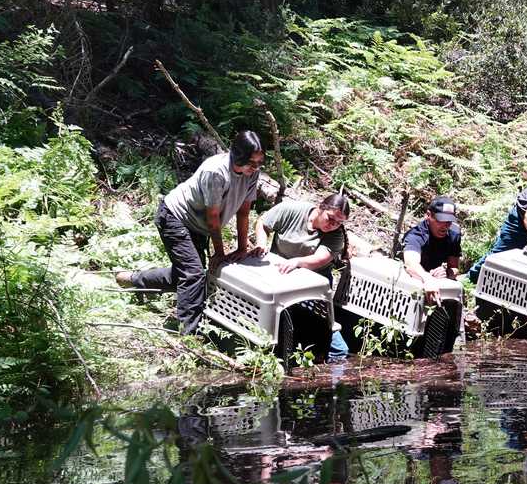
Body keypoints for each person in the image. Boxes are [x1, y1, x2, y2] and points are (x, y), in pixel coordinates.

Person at [116, 131, 263, 334]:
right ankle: (188, 335)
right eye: (251, 163)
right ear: (238, 156)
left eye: (259, 163)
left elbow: (244, 212)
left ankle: (133, 280)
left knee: (187, 274)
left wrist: (242, 248)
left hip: (198, 224)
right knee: (193, 274)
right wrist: (219, 253)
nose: (255, 168)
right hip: (175, 217)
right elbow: (213, 219)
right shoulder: (216, 172)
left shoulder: (252, 174)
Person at [250, 192, 352, 361]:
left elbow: (320, 259)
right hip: (279, 277)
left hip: (313, 287)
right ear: (320, 208)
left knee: (337, 348)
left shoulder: (337, 234)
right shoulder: (293, 210)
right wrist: (261, 243)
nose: (333, 225)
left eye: (339, 222)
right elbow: (263, 223)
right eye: (330, 218)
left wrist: (297, 262)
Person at [401, 195, 462, 301]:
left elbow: (455, 267)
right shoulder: (415, 236)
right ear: (428, 215)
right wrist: (428, 279)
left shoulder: (454, 234)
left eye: (449, 221)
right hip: (411, 278)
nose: (445, 226)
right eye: (440, 221)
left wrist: (447, 273)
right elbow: (410, 265)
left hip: (436, 281)